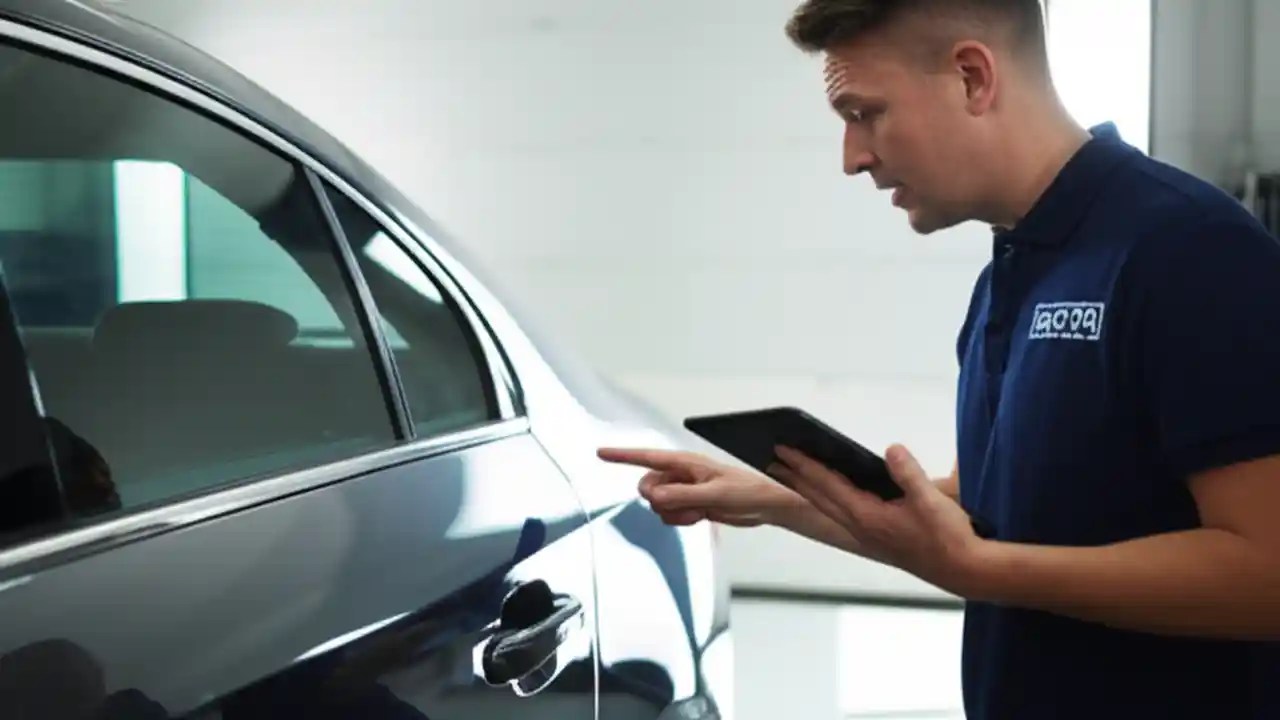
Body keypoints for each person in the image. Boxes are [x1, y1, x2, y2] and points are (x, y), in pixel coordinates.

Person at [597, 1, 1280, 718]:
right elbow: (997, 515)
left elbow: (1269, 572)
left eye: (864, 113)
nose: (852, 157)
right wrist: (771, 498)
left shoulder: (1190, 252)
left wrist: (984, 569)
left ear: (971, 77)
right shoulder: (1008, 275)